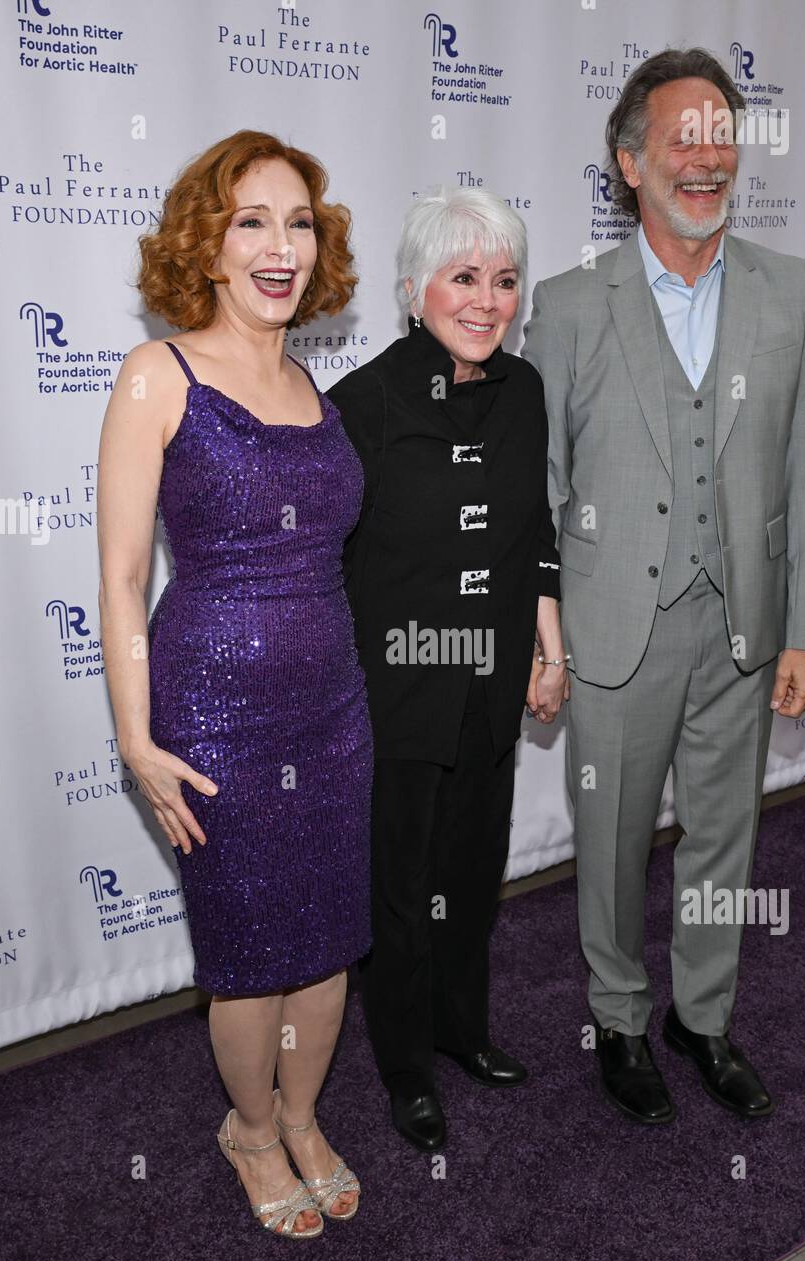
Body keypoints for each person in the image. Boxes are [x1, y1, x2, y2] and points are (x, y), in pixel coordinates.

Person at [522, 48, 805, 1123]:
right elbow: (544, 485)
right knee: (610, 839)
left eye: (721, 139)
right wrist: (546, 631)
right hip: (615, 625)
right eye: (681, 141)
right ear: (629, 162)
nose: (705, 162)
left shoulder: (792, 291)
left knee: (725, 831)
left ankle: (701, 1017)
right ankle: (618, 1016)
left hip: (744, 627)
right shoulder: (569, 306)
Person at [97, 130, 370, 1236]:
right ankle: (247, 1131)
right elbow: (119, 579)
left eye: (298, 221)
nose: (280, 245)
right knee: (252, 952)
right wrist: (135, 735)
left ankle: (301, 1115)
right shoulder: (157, 374)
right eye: (251, 221)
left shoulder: (311, 377)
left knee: (329, 936)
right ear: (206, 246)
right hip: (213, 714)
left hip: (335, 707)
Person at [327, 187, 566, 1151]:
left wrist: (549, 649)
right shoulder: (360, 404)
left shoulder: (525, 392)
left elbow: (532, 530)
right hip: (396, 691)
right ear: (414, 287)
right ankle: (404, 1066)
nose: (486, 300)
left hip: (493, 676)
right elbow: (330, 568)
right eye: (463, 277)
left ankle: (464, 1031)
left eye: (503, 280)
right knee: (400, 884)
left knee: (471, 872)